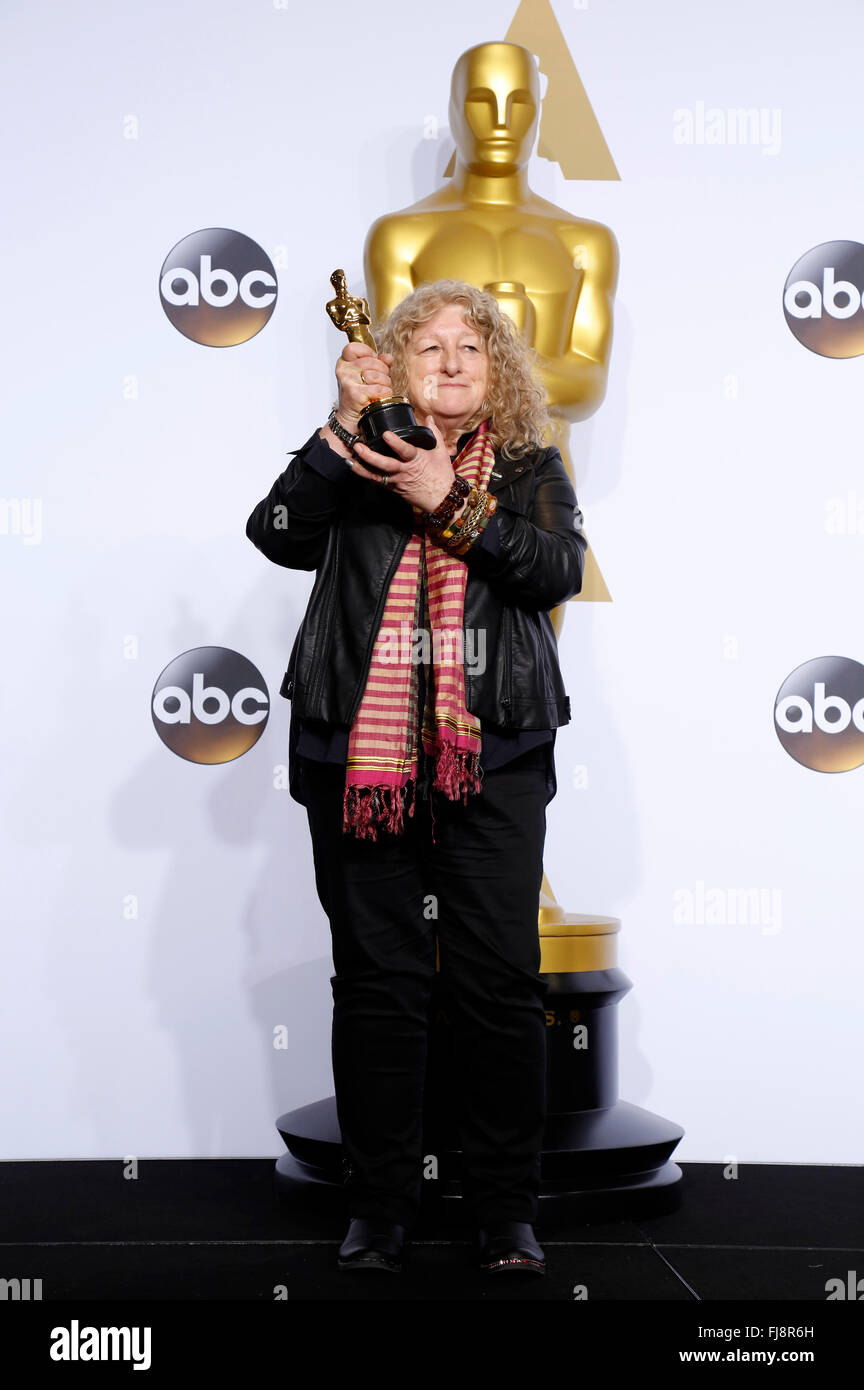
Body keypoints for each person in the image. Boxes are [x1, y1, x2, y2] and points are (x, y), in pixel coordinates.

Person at [246, 279, 587, 1277]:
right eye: (426, 345)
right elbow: (275, 533)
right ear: (395, 363)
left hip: (498, 756)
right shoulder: (350, 462)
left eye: (468, 348)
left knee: (497, 988)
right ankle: (380, 1211)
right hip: (354, 755)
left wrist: (454, 502)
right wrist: (339, 428)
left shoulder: (526, 465)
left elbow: (556, 570)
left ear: (498, 373)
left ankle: (504, 1217)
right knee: (380, 988)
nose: (445, 360)